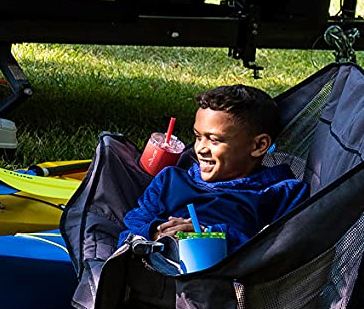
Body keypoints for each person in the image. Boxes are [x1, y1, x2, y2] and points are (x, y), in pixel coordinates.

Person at [119, 83, 305, 250]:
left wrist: (211, 236)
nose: (200, 148)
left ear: (258, 146)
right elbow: (128, 232)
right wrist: (156, 233)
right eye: (198, 136)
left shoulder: (280, 193)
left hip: (228, 282)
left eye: (214, 140)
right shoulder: (170, 181)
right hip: (157, 272)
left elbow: (283, 251)